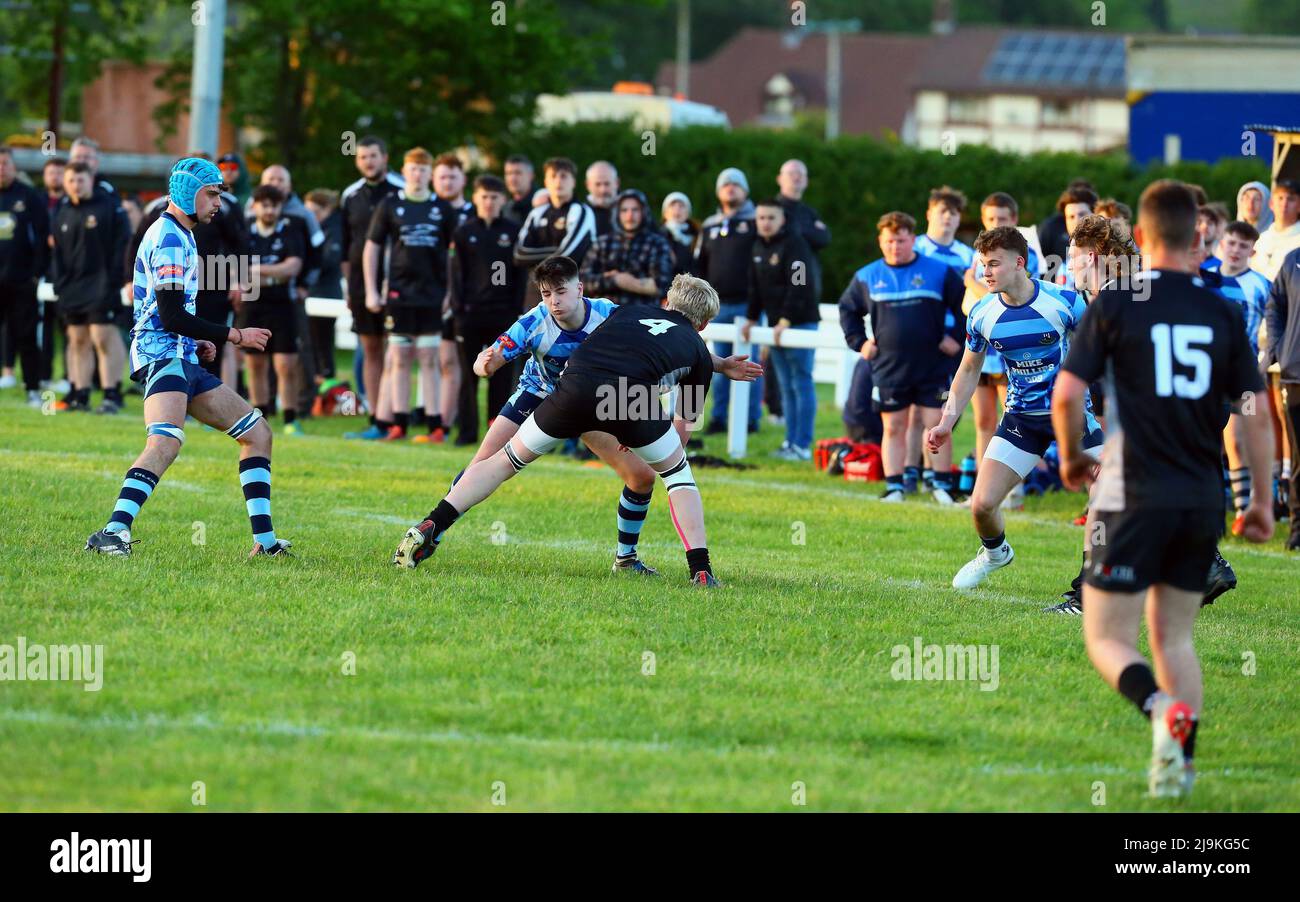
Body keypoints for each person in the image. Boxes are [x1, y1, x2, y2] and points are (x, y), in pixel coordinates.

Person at [1052, 179, 1274, 798]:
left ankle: (1159, 708)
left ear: (1143, 236)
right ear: (1198, 235)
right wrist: (1259, 500)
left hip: (1130, 489)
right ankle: (1180, 767)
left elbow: (1067, 393)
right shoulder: (1222, 309)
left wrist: (1070, 458)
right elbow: (1254, 411)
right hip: (1200, 493)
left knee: (1105, 636)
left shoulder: (1119, 301)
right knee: (1174, 637)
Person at [393, 269, 728, 587]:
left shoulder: (627, 311)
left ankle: (433, 523)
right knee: (678, 474)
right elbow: (682, 429)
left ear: (667, 303)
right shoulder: (698, 351)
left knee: (505, 460)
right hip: (626, 398)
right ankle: (700, 570)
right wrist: (642, 434)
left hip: (572, 386)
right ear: (704, 324)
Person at [84, 157, 285, 558]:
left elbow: (176, 315)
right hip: (161, 354)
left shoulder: (183, 234)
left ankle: (265, 544)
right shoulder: (171, 239)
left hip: (179, 353)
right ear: (187, 194)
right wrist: (235, 334)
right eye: (211, 194)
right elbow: (171, 316)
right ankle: (112, 532)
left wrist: (198, 341)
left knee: (258, 434)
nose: (218, 203)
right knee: (166, 440)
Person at [927, 226, 1101, 590]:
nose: (985, 272)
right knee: (981, 505)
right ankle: (995, 554)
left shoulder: (1065, 302)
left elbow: (1101, 358)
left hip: (1072, 418)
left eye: (993, 264)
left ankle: (1093, 580)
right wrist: (946, 421)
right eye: (982, 264)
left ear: (1020, 263)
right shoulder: (982, 313)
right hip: (1022, 420)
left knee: (1108, 490)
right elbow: (968, 370)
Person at [839, 211, 964, 503]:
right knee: (893, 426)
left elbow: (965, 305)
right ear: (880, 242)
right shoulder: (867, 276)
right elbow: (848, 309)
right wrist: (859, 342)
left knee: (937, 424)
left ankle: (941, 485)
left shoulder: (938, 271)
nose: (895, 247)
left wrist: (956, 337)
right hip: (889, 366)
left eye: (901, 240)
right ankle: (895, 486)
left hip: (933, 364)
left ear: (912, 240)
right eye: (889, 241)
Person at [364, 147, 454, 442]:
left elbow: (453, 254)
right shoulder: (390, 204)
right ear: (404, 172)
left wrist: (449, 292)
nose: (417, 175)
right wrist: (371, 290)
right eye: (413, 169)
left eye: (423, 170)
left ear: (430, 174)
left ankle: (435, 425)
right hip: (398, 293)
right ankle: (399, 423)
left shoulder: (442, 208)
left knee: (429, 357)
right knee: (399, 357)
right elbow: (372, 247)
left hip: (432, 294)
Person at [962, 192, 1042, 468]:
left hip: (1011, 351)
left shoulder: (1025, 255)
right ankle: (983, 479)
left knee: (1013, 420)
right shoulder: (979, 256)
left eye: (1002, 219)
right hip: (984, 350)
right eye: (991, 219)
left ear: (1014, 219)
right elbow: (970, 306)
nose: (996, 224)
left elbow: (1006, 299)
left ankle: (1015, 484)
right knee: (984, 421)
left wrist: (971, 283)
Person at [447, 174, 524, 445]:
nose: (489, 202)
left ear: (503, 200)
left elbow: (520, 275)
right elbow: (456, 275)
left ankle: (496, 433)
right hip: (469, 315)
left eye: (494, 197)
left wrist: (516, 309)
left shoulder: (513, 232)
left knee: (501, 376)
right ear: (475, 198)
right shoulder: (464, 232)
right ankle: (467, 432)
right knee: (469, 376)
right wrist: (458, 309)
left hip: (502, 315)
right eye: (484, 197)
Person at [741, 198, 818, 461]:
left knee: (801, 382)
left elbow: (800, 284)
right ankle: (789, 442)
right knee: (785, 385)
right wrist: (751, 318)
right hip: (775, 326)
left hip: (799, 323)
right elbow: (754, 288)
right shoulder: (756, 246)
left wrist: (786, 319)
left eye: (771, 217)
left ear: (782, 219)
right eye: (761, 218)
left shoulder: (795, 244)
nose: (765, 222)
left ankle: (802, 445)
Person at [50, 161, 129, 414]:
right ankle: (80, 394)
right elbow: (57, 250)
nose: (76, 185)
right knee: (77, 339)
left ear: (91, 181)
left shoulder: (108, 206)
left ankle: (111, 394)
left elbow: (122, 243)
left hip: (102, 284)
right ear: (65, 183)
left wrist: (116, 278)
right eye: (71, 180)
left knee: (102, 336)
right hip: (72, 286)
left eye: (81, 180)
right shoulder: (62, 210)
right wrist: (59, 281)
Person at [340, 136, 404, 439]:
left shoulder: (401, 190)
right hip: (359, 285)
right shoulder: (350, 195)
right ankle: (376, 418)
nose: (368, 162)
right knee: (371, 349)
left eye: (373, 156)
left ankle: (395, 417)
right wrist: (349, 288)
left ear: (385, 157)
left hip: (397, 282)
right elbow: (345, 247)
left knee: (396, 351)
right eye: (363, 156)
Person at [1211, 221, 1272, 536]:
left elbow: (1273, 326)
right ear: (1222, 243)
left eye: (1243, 246)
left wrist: (1265, 360)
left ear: (1252, 251)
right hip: (1209, 374)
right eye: (1232, 243)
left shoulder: (1261, 285)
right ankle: (1220, 508)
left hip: (1243, 376)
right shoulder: (1205, 277)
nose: (1236, 250)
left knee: (1238, 440)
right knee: (1213, 442)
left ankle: (1244, 509)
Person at [696, 167, 762, 435]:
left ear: (745, 190)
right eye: (726, 184)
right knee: (718, 365)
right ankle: (719, 418)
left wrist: (758, 307)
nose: (731, 188)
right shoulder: (710, 225)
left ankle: (750, 420)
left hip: (748, 306)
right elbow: (700, 265)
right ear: (718, 191)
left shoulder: (757, 221)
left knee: (750, 365)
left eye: (736, 184)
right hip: (716, 307)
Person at [240, 185, 306, 435]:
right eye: (265, 205)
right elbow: (237, 268)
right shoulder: (245, 231)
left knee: (286, 364)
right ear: (255, 206)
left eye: (274, 206)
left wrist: (257, 271)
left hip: (282, 305)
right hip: (252, 304)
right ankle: (261, 417)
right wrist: (272, 274)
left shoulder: (290, 230)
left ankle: (290, 418)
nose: (270, 210)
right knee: (255, 364)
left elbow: (292, 267)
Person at [0, 146, 49, 407]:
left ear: (14, 167)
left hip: (21, 281)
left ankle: (33, 388)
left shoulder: (29, 196)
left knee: (27, 336)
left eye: (5, 163)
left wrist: (36, 274)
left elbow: (43, 237)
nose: (1, 169)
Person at [514, 157, 597, 306]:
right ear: (546, 182)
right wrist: (556, 250)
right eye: (553, 176)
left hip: (569, 290)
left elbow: (570, 255)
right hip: (536, 290)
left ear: (573, 182)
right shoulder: (537, 213)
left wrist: (536, 259)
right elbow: (519, 254)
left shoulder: (582, 211)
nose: (558, 181)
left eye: (564, 176)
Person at [580, 188, 674, 306]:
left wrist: (626, 282)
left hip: (642, 312)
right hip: (605, 313)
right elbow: (582, 281)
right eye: (624, 210)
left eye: (635, 210)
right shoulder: (603, 243)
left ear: (644, 212)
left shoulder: (657, 243)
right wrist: (614, 280)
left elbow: (662, 286)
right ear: (617, 213)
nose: (630, 215)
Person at [1266, 243, 1300, 550]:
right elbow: (1275, 304)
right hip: (1296, 373)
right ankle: (1297, 529)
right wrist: (1279, 349)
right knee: (1298, 456)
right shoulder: (1294, 260)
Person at [774, 159, 831, 301]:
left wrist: (795, 229)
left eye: (800, 174)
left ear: (806, 181)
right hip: (779, 287)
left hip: (808, 286)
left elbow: (824, 238)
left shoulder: (809, 212)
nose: (796, 177)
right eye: (791, 173)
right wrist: (808, 230)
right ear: (779, 179)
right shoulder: (772, 210)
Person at [304, 188, 343, 383]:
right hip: (314, 292)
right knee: (311, 342)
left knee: (322, 342)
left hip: (325, 294)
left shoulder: (333, 230)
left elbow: (330, 259)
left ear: (327, 209)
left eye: (315, 212)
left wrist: (304, 265)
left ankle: (325, 382)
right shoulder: (315, 230)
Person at [1039, 180, 1097, 284]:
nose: (1077, 220)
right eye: (1071, 217)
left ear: (1095, 214)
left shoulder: (1108, 247)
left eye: (1082, 214)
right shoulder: (1050, 228)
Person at [1251, 177, 1300, 280]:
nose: (1284, 204)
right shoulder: (1261, 239)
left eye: (1291, 199)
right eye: (1280, 198)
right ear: (1271, 204)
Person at [659, 191, 698, 276]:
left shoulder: (698, 236)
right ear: (665, 213)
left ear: (688, 213)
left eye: (681, 206)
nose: (677, 209)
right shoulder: (658, 237)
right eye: (672, 205)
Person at [585, 160, 619, 237]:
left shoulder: (632, 210)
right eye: (597, 184)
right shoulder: (579, 214)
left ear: (617, 183)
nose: (603, 190)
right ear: (588, 185)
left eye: (607, 184)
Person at [503, 154, 536, 227]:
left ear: (531, 176)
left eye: (518, 173)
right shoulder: (505, 208)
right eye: (508, 173)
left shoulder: (544, 204)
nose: (512, 178)